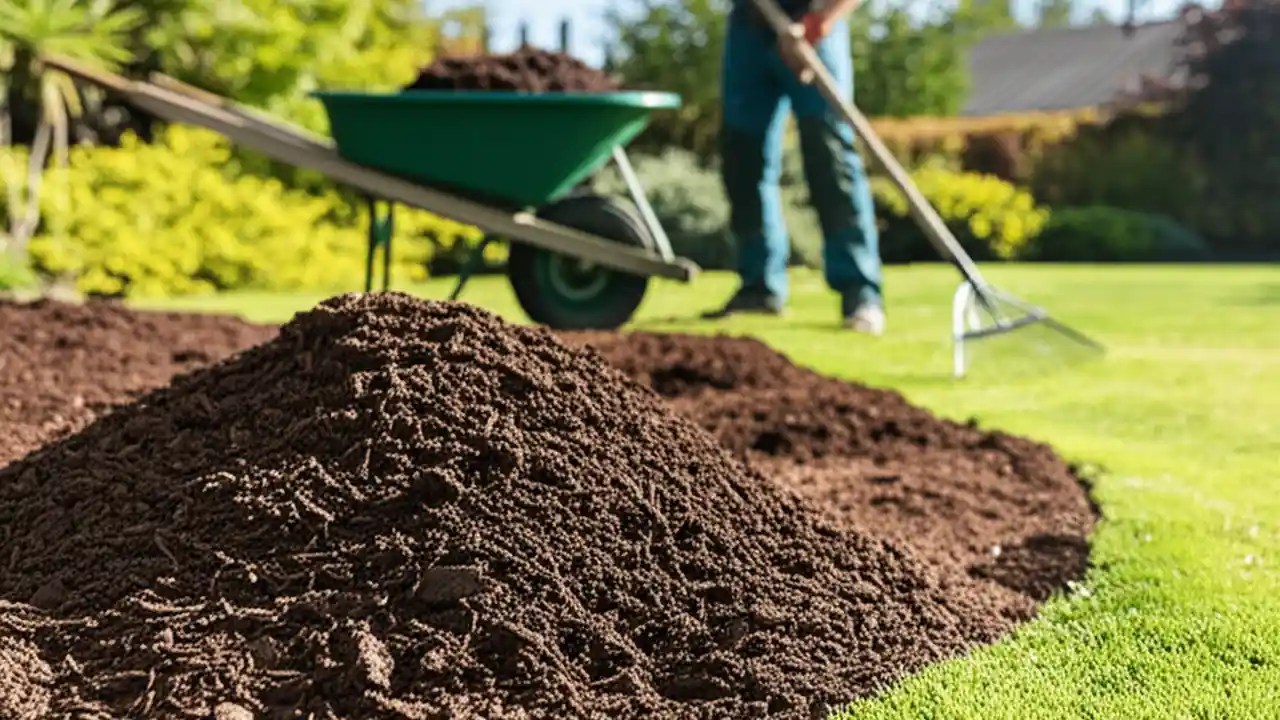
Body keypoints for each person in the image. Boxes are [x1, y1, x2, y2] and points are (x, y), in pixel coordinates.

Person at [705, 0, 885, 335]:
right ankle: (759, 286)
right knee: (743, 161)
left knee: (830, 159)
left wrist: (819, 22)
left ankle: (859, 290)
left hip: (813, 22)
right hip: (750, 26)